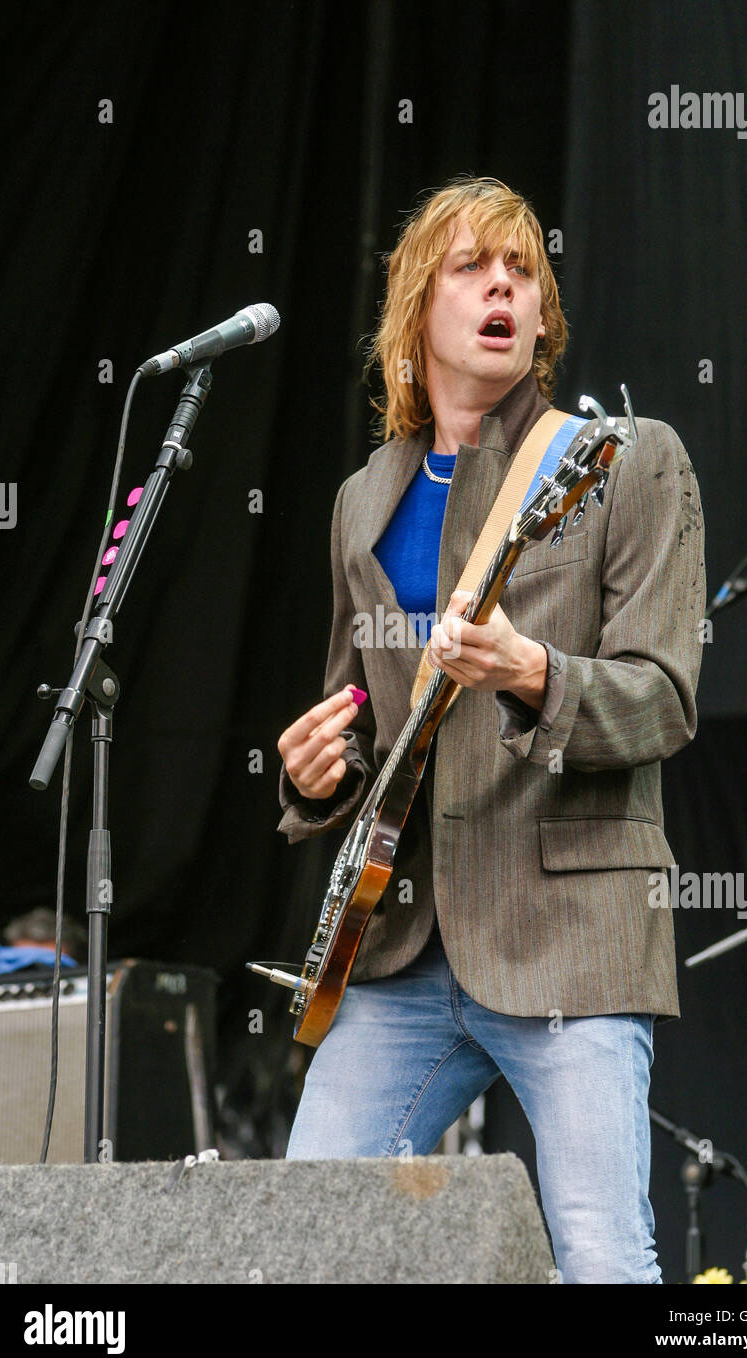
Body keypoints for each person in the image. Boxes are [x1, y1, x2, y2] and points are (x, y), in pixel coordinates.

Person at [275, 176, 705, 1283]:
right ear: (418, 308)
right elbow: (366, 726)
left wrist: (532, 671)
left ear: (542, 317)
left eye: (520, 270)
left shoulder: (620, 460)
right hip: (405, 948)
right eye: (470, 268)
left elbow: (661, 697)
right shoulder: (362, 496)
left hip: (569, 933)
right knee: (301, 1236)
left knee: (607, 1259)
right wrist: (318, 773)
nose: (501, 286)